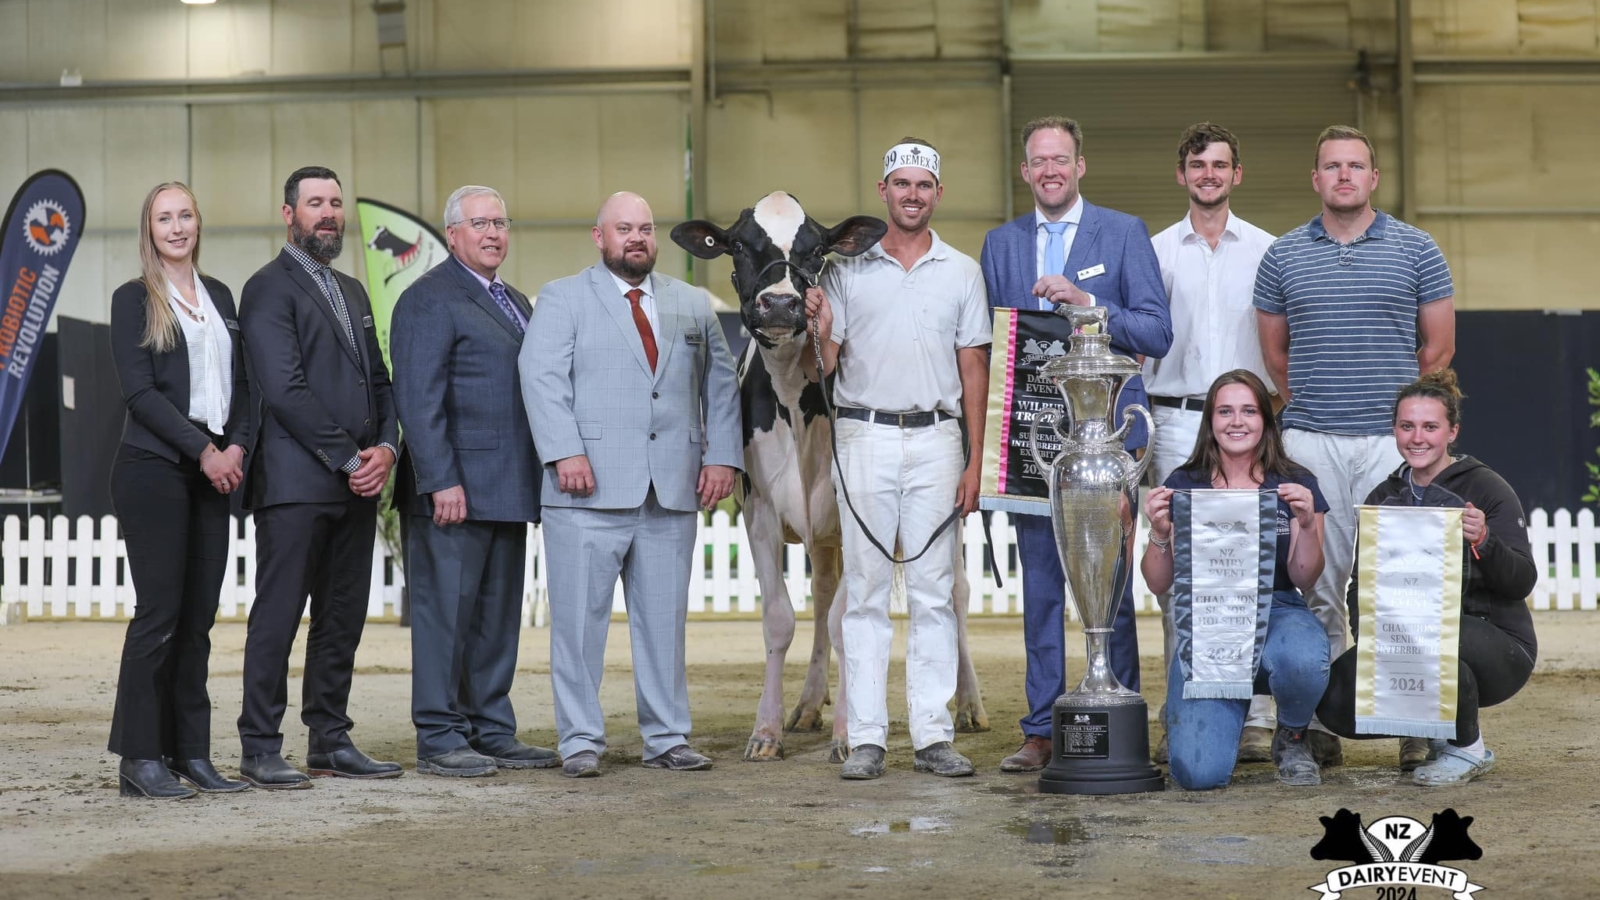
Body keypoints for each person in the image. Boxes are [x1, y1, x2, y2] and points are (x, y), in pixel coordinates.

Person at [1253, 124, 1456, 771]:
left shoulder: (1419, 250)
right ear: (1316, 179)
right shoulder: (1282, 257)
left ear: (1373, 177)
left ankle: (1413, 724)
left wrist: (1393, 422)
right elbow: (1275, 357)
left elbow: (1438, 351)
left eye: (1356, 165)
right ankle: (1317, 725)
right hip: (1311, 439)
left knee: (1402, 585)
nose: (1344, 175)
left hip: (1391, 443)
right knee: (1316, 586)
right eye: (1332, 166)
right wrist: (1321, 406)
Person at [519, 191, 741, 778]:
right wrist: (564, 450)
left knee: (665, 626)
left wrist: (722, 457)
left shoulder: (693, 303)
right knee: (577, 626)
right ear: (600, 237)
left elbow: (720, 385)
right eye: (624, 229)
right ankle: (580, 741)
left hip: (670, 491)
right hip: (583, 489)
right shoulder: (563, 298)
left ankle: (667, 737)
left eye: (645, 228)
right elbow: (541, 380)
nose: (636, 238)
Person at [979, 115, 1173, 773]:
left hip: (1107, 440)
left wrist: (1087, 301)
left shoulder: (1122, 233)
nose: (1051, 170)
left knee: (1108, 582)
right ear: (1025, 172)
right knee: (1039, 590)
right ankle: (1039, 728)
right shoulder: (1000, 244)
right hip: (1033, 439)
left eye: (1061, 159)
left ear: (1080, 166)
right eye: (1039, 161)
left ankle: (1117, 709)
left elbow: (1155, 330)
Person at [806, 138, 990, 780]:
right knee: (864, 592)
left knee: (936, 591)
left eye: (924, 185)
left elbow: (974, 369)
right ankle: (867, 738)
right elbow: (822, 368)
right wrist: (817, 327)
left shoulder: (962, 271)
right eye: (901, 184)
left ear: (938, 194)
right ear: (883, 192)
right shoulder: (844, 272)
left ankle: (933, 734)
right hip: (864, 436)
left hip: (938, 439)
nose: (912, 194)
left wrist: (974, 460)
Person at [235, 166, 401, 789]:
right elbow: (284, 390)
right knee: (278, 616)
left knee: (342, 617)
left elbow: (379, 381)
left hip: (355, 481)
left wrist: (386, 444)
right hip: (296, 483)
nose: (328, 213)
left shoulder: (354, 291)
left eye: (334, 202)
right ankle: (259, 746)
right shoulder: (267, 289)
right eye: (314, 204)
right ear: (289, 214)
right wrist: (353, 458)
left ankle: (329, 739)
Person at [390, 185, 554, 777]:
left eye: (500, 223)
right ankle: (438, 735)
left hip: (509, 486)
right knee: (444, 617)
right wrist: (439, 479)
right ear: (452, 233)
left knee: (495, 619)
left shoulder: (515, 300)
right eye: (479, 223)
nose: (493, 233)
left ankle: (490, 729)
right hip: (453, 490)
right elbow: (417, 395)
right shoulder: (428, 299)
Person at [1317, 371, 1536, 785]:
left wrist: (1485, 540)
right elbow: (1360, 587)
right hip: (1409, 637)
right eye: (1407, 426)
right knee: (1334, 702)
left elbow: (1521, 582)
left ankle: (1468, 748)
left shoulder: (1487, 488)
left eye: (1430, 426)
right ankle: (1435, 731)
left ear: (1452, 431)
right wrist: (1372, 642)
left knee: (1427, 637)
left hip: (1498, 643)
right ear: (1394, 430)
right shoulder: (1383, 497)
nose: (1417, 437)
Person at [107, 182, 253, 799]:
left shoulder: (219, 295)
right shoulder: (133, 298)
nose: (176, 226)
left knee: (198, 621)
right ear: (149, 228)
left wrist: (236, 447)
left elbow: (245, 386)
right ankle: (139, 758)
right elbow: (140, 394)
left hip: (217, 463)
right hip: (155, 466)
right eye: (163, 217)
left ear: (198, 222)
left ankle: (190, 752)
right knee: (160, 616)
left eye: (185, 215)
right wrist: (204, 452)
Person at [1144, 123, 1280, 764]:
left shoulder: (1269, 251)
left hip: (1250, 424)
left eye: (1220, 164)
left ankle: (1255, 716)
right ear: (1181, 174)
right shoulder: (1153, 251)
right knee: (1184, 576)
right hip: (1175, 420)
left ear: (1237, 174)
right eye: (1198, 163)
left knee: (1253, 569)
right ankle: (1186, 703)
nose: (1208, 173)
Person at [1141, 370, 1330, 788]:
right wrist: (1157, 531)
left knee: (1302, 658)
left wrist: (1307, 524)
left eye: (1248, 410)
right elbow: (1157, 583)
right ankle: (1225, 713)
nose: (1237, 421)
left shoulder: (1296, 483)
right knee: (1197, 774)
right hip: (1209, 623)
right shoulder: (1183, 484)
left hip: (1279, 607)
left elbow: (1306, 576)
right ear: (1210, 421)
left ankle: (1293, 735)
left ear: (1266, 420)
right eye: (1225, 411)